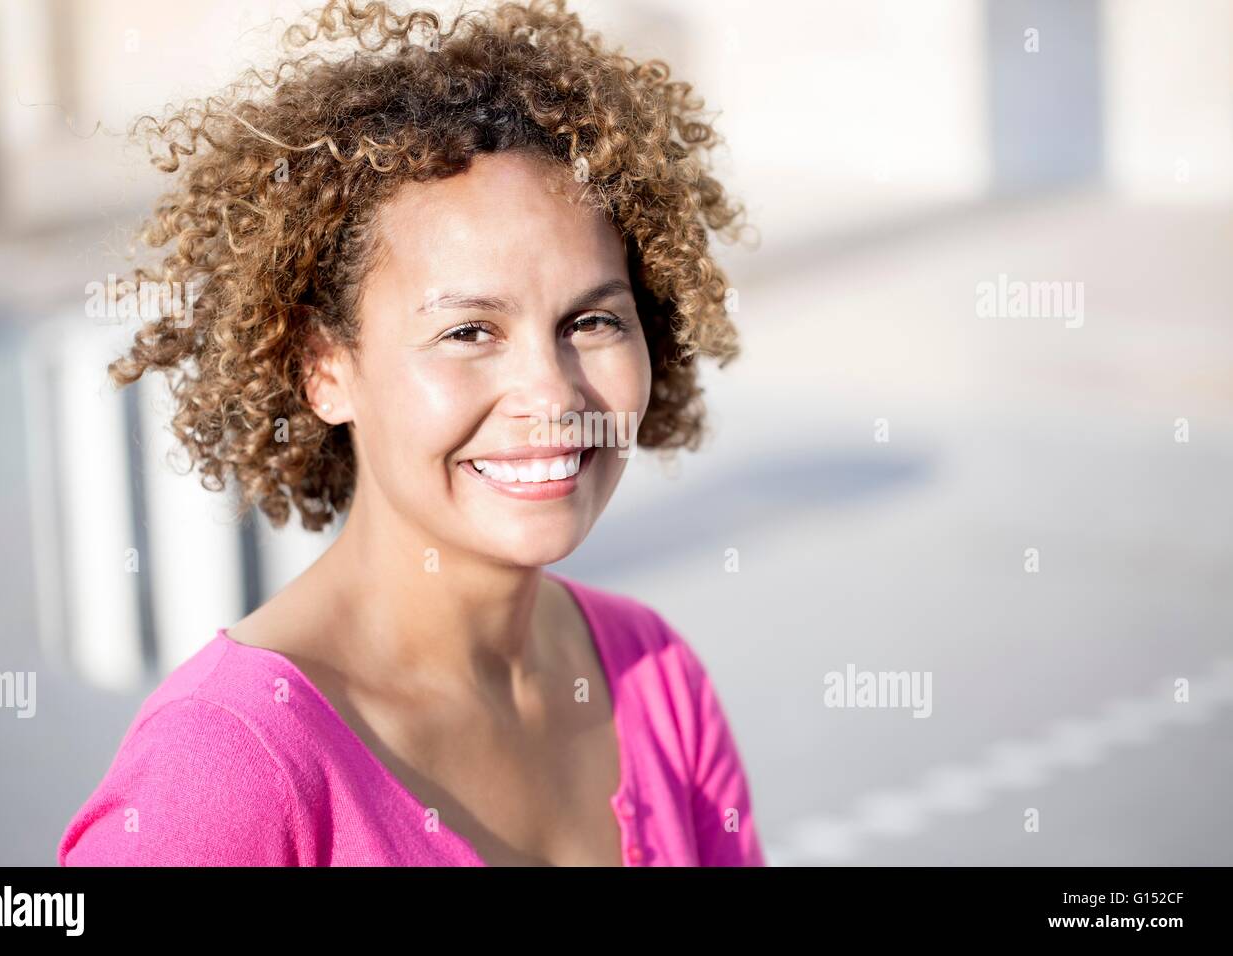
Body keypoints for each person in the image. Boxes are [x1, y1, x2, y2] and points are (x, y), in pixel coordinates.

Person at [57, 0, 763, 866]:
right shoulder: (224, 775)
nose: (551, 392)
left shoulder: (657, 683)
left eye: (592, 321)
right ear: (323, 367)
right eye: (468, 332)